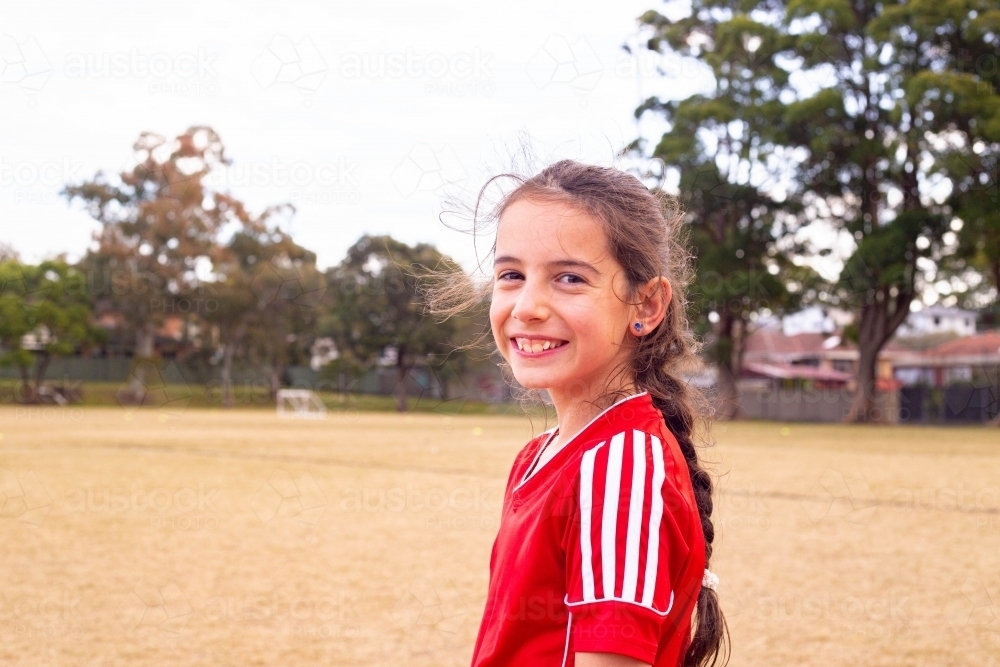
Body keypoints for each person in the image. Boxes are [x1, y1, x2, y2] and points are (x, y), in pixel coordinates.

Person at [429, 159, 728, 667]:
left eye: (569, 278)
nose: (527, 306)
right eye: (511, 275)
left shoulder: (620, 466)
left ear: (646, 306)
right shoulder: (538, 455)